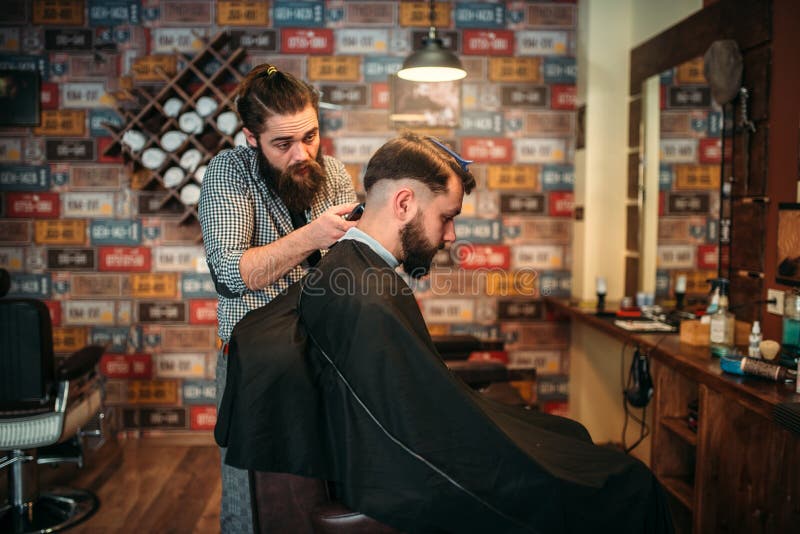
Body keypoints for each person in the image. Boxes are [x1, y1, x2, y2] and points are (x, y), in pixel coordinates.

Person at [216, 133, 673, 533]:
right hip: (414, 476)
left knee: (568, 436)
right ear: (403, 204)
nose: (451, 235)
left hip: (417, 453)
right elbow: (414, 441)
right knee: (628, 486)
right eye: (446, 217)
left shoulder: (356, 274)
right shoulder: (361, 294)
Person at [198, 63, 358, 533]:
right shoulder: (229, 172)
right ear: (252, 138)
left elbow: (345, 270)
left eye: (310, 137)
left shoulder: (331, 173)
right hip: (256, 362)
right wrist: (314, 234)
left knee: (322, 488)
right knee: (255, 500)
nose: (301, 154)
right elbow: (232, 273)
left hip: (325, 352)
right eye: (283, 144)